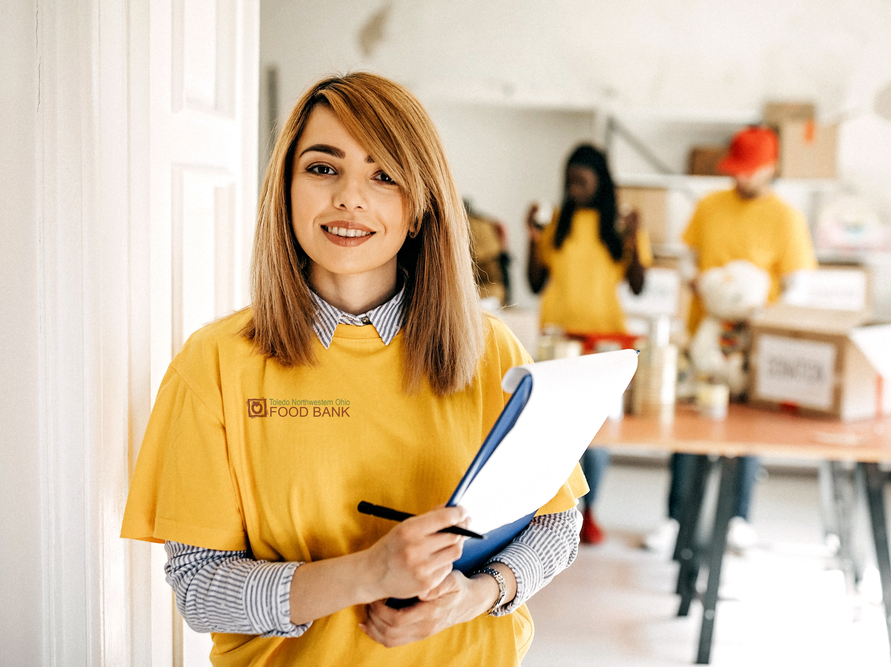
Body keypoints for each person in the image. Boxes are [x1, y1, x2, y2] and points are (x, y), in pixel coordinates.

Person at [120, 72, 587, 666]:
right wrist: (366, 574)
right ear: (285, 189)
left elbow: (557, 523)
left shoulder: (490, 351)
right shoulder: (214, 364)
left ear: (420, 207)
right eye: (322, 168)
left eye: (384, 175)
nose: (350, 197)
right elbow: (201, 590)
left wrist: (475, 595)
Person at [645, 125, 818, 554]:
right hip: (703, 335)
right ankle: (676, 519)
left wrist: (763, 314)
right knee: (688, 427)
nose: (738, 179)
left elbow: (798, 283)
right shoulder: (709, 206)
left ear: (770, 168)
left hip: (751, 344)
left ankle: (738, 517)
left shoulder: (786, 218)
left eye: (748, 171)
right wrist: (700, 282)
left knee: (746, 429)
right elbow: (688, 257)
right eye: (735, 171)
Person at [525, 144, 653, 544]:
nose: (574, 186)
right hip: (558, 341)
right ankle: (556, 510)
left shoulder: (618, 225)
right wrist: (532, 238)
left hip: (604, 343)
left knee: (595, 435)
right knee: (555, 431)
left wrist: (634, 237)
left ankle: (590, 511)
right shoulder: (557, 223)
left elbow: (638, 284)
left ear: (601, 181)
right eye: (570, 180)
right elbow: (533, 282)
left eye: (582, 178)